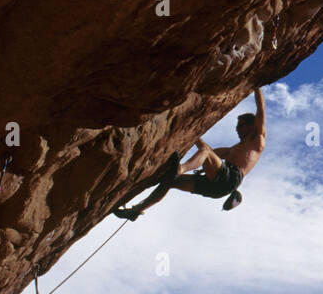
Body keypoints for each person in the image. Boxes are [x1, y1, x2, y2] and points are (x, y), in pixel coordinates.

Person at [113, 88, 266, 219]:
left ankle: (180, 169)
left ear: (251, 126)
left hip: (230, 179)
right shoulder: (233, 149)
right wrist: (193, 133)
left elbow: (261, 109)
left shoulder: (257, 140)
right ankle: (136, 211)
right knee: (170, 182)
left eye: (240, 126)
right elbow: (211, 152)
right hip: (218, 186)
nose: (237, 129)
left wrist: (258, 85)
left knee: (200, 155)